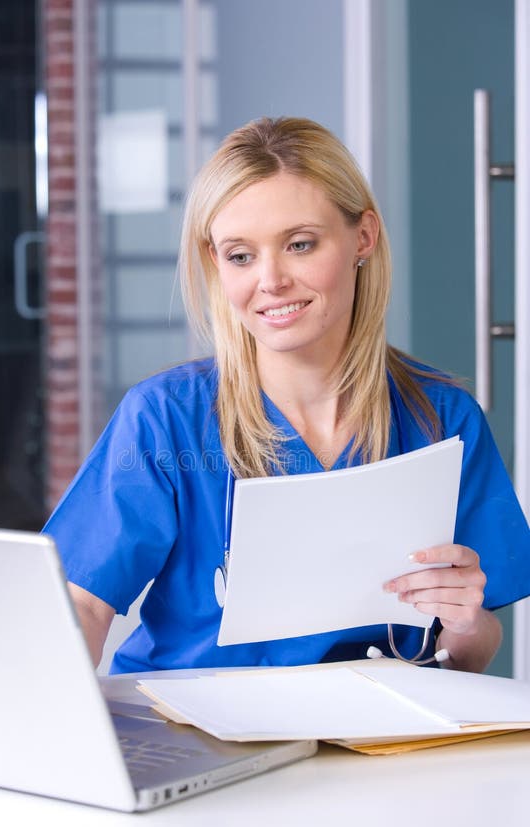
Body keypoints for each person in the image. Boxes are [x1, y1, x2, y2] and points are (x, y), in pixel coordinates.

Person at [43, 116, 530, 675]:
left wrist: (465, 622)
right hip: (197, 733)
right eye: (241, 256)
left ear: (363, 238)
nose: (270, 280)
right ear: (215, 263)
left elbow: (472, 649)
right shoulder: (165, 421)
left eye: (300, 244)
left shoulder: (441, 419)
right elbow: (79, 603)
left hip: (368, 741)